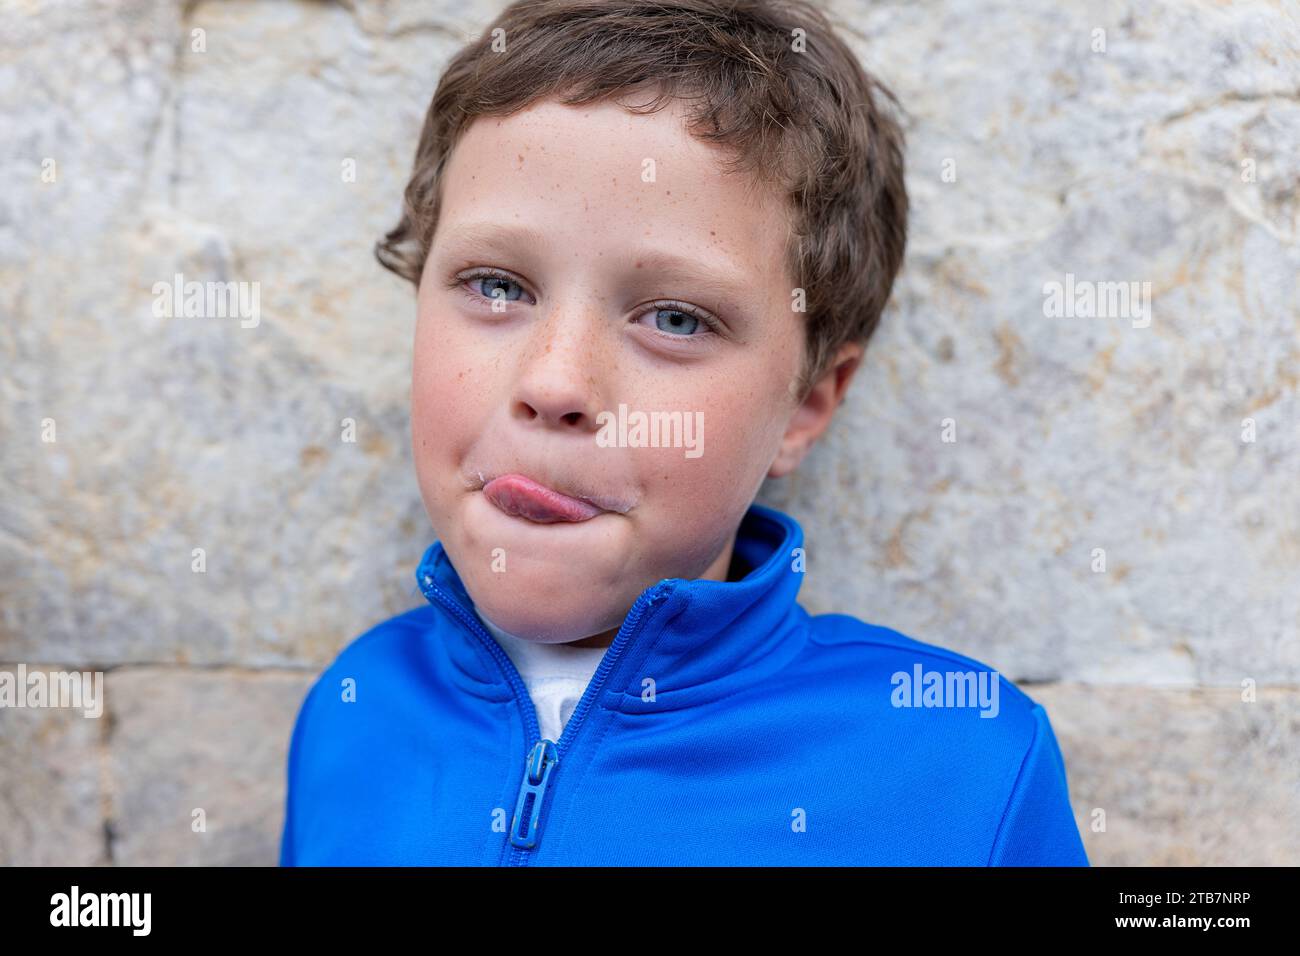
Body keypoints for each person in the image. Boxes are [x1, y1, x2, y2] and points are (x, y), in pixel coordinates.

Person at [279, 0, 1089, 866]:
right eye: (498, 286)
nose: (554, 383)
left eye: (674, 316)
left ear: (809, 404)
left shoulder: (961, 767)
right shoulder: (353, 715)